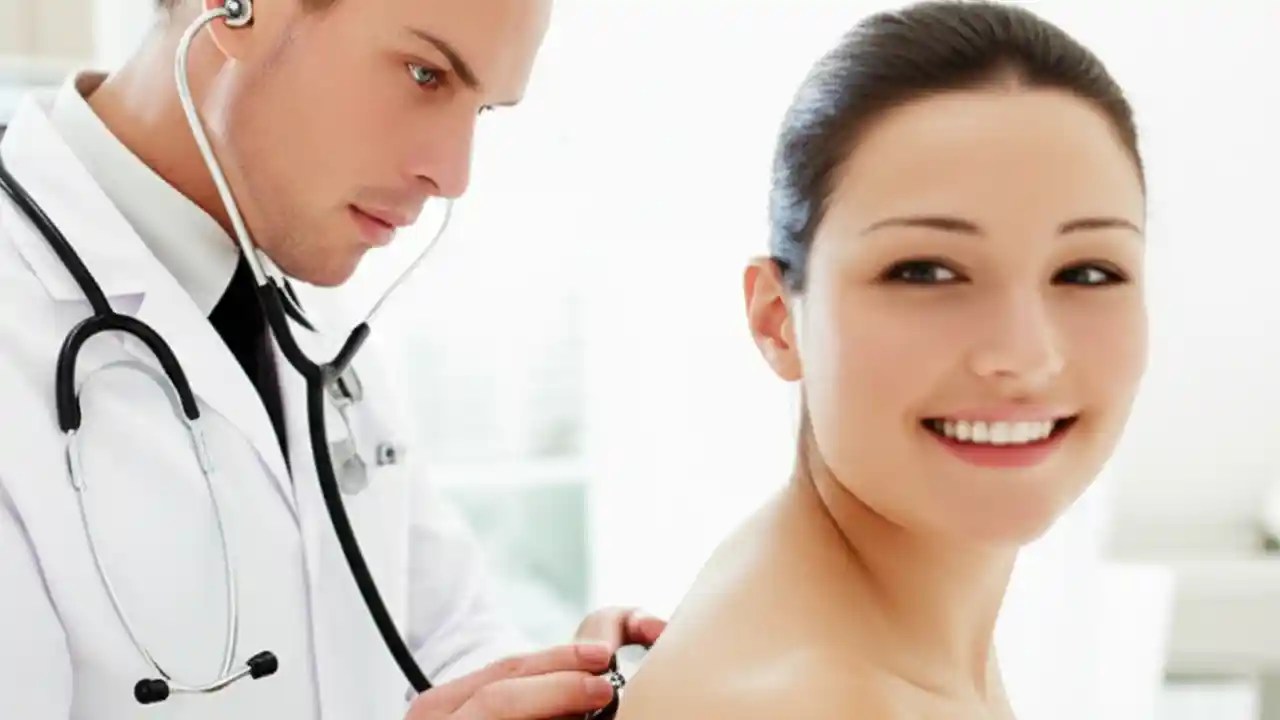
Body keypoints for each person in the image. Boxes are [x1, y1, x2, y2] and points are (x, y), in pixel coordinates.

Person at [0, 0, 663, 718]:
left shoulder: (307, 317)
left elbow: (440, 640)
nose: (453, 174)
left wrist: (567, 684)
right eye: (425, 73)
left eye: (483, 112)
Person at [614, 2, 1147, 718]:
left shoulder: (882, 616)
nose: (1025, 356)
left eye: (1086, 272)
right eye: (925, 272)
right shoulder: (814, 700)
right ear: (778, 319)